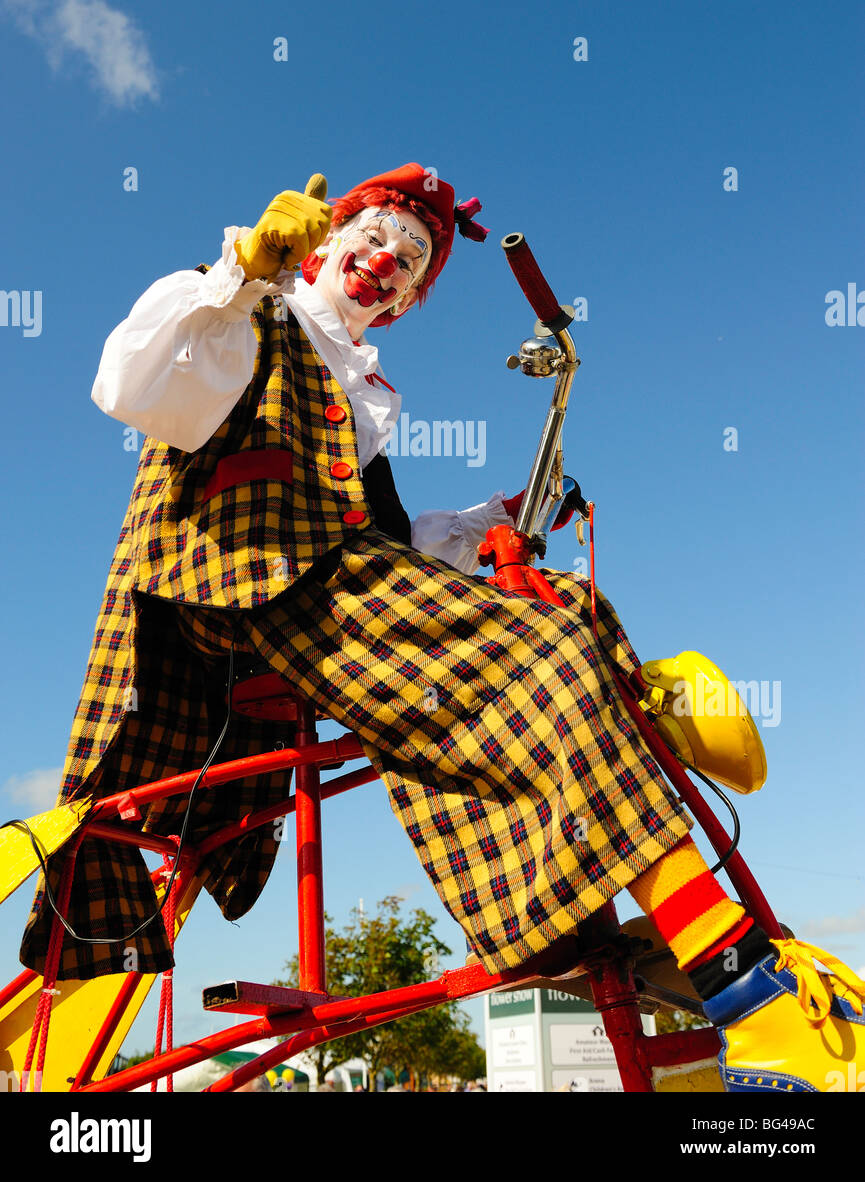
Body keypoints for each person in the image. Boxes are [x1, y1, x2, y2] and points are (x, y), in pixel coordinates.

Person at [20, 163, 865, 1093]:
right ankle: (741, 982)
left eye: (412, 260)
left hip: (332, 586)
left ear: (406, 304)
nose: (388, 259)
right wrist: (242, 269)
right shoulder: (251, 312)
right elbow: (129, 384)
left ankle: (619, 876)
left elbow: (381, 541)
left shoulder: (362, 394)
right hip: (234, 586)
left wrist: (486, 521)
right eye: (376, 235)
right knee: (535, 652)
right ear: (329, 241)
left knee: (566, 610)